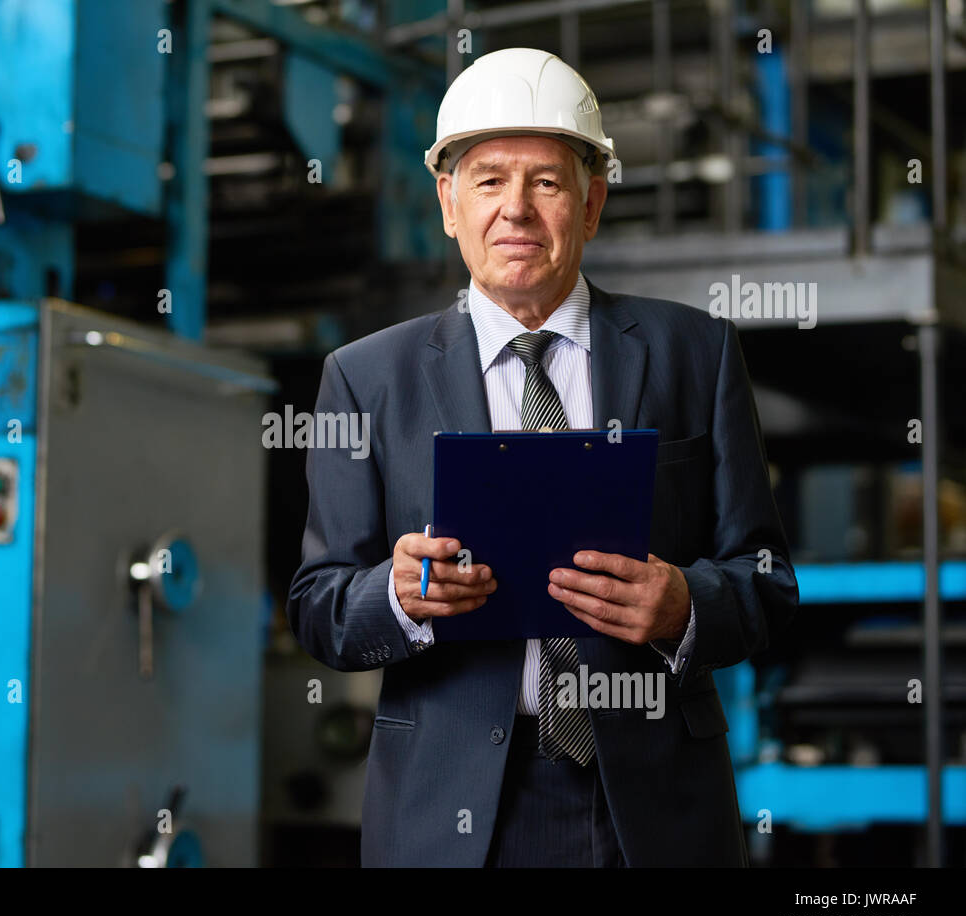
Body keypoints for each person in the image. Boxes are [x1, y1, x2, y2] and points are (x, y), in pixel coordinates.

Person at [286, 48, 798, 867]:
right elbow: (318, 607)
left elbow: (767, 584)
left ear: (592, 204)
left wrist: (683, 604)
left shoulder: (693, 353)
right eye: (488, 180)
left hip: (654, 807)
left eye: (547, 182)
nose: (516, 210)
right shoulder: (364, 378)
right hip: (450, 808)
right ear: (448, 203)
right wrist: (400, 593)